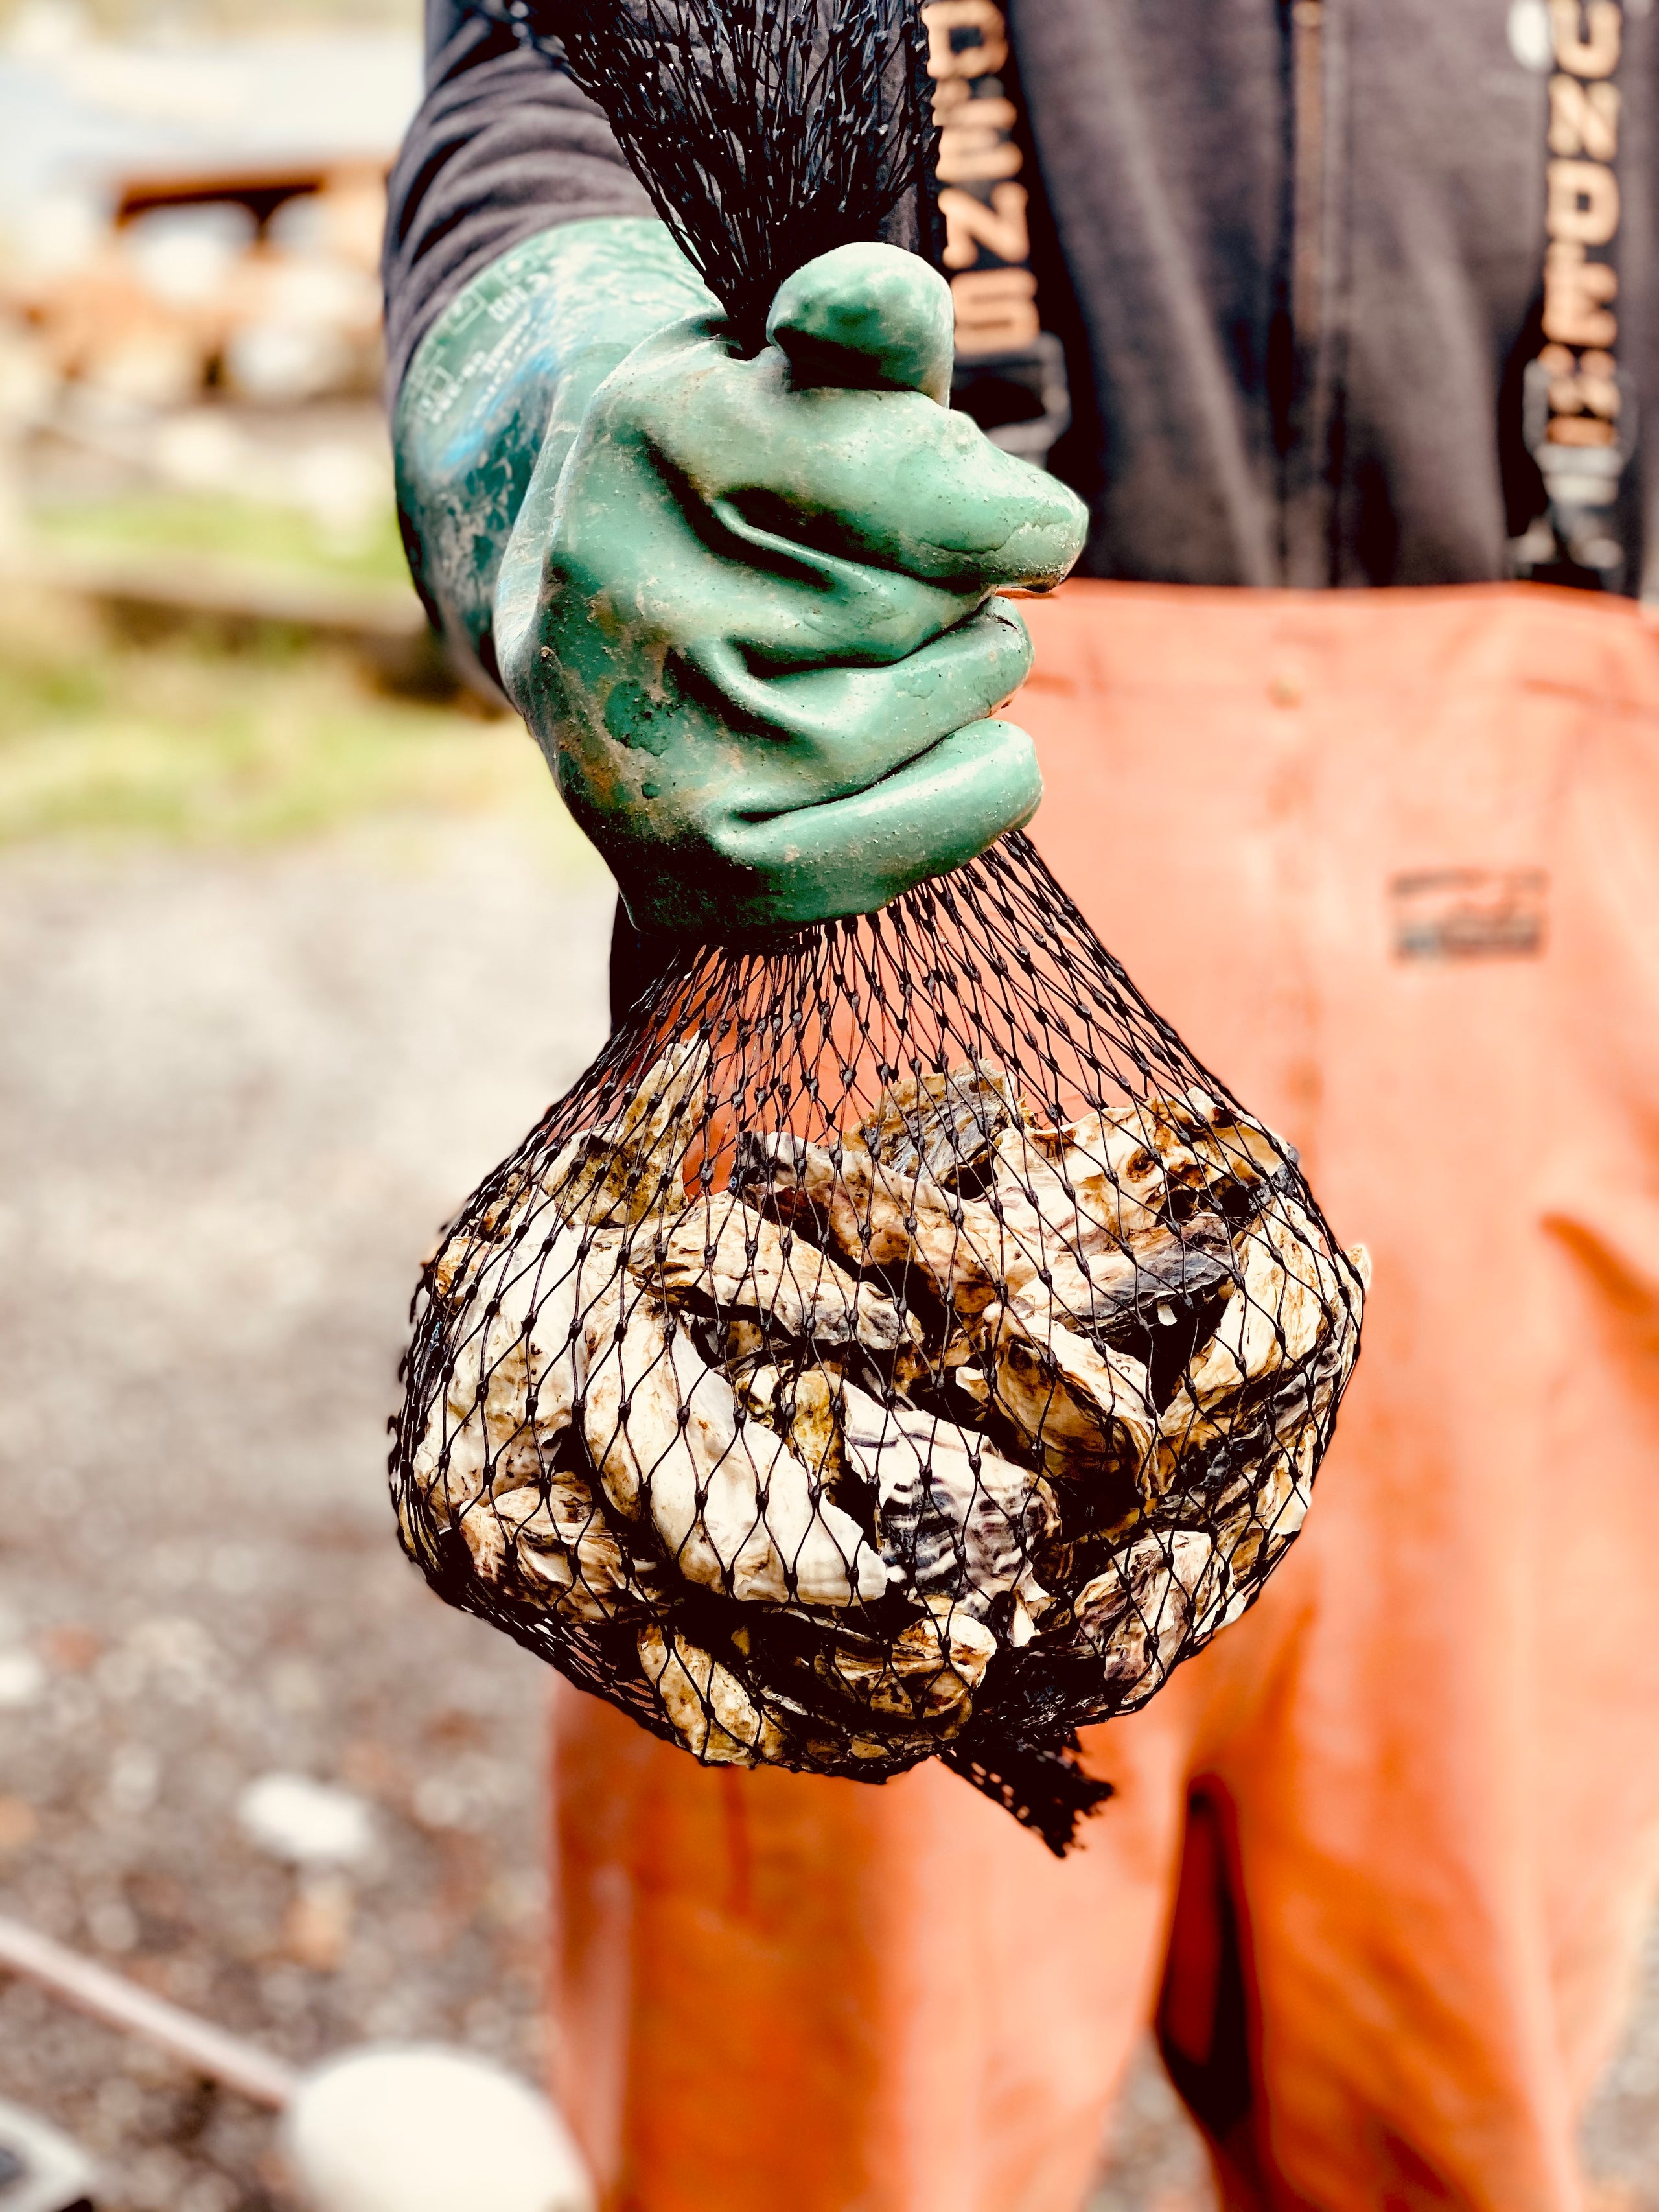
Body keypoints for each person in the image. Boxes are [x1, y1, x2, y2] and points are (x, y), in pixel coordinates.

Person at [383, 3, 1659, 2205]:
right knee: (823, 2122)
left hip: (1551, 1128)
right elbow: (551, 73)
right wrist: (547, 391)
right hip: (879, 1011)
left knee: (1469, 2108)